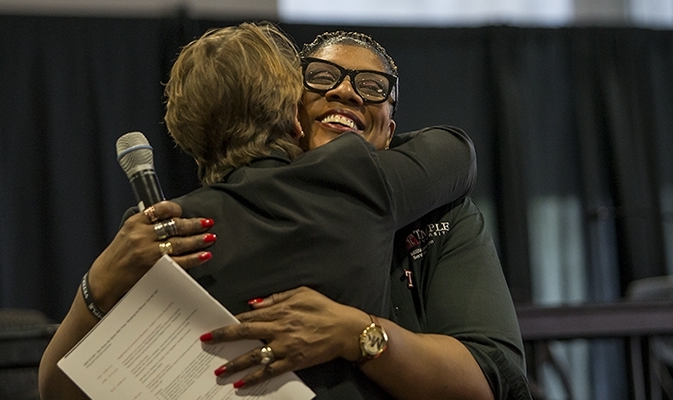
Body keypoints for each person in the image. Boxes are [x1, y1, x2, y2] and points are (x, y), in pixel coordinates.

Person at [38, 22, 477, 399]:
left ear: (182, 132)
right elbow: (457, 152)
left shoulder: (160, 237)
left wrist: (94, 287)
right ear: (293, 115)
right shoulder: (358, 180)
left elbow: (62, 389)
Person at [199, 31, 532, 400]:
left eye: (373, 87)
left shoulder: (445, 218)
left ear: (390, 134)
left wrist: (356, 335)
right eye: (323, 77)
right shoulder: (230, 213)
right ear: (288, 111)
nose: (346, 91)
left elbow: (490, 379)